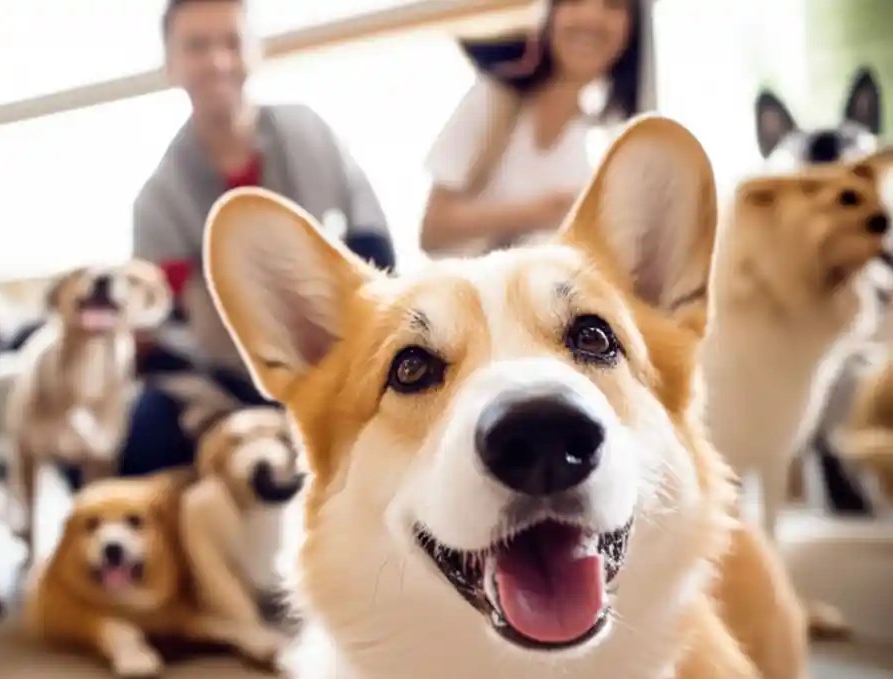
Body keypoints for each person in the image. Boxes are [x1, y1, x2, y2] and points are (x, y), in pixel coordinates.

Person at [114, 0, 395, 478]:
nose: (217, 61)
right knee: (143, 435)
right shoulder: (156, 200)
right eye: (197, 46)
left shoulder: (310, 134)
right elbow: (161, 331)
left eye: (231, 42)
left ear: (254, 52)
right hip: (221, 380)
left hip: (344, 355)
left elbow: (376, 246)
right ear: (172, 63)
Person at [420, 0, 644, 257]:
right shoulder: (494, 99)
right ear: (549, 12)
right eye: (574, 1)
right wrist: (536, 214)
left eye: (614, 5)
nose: (590, 15)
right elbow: (433, 231)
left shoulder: (610, 142)